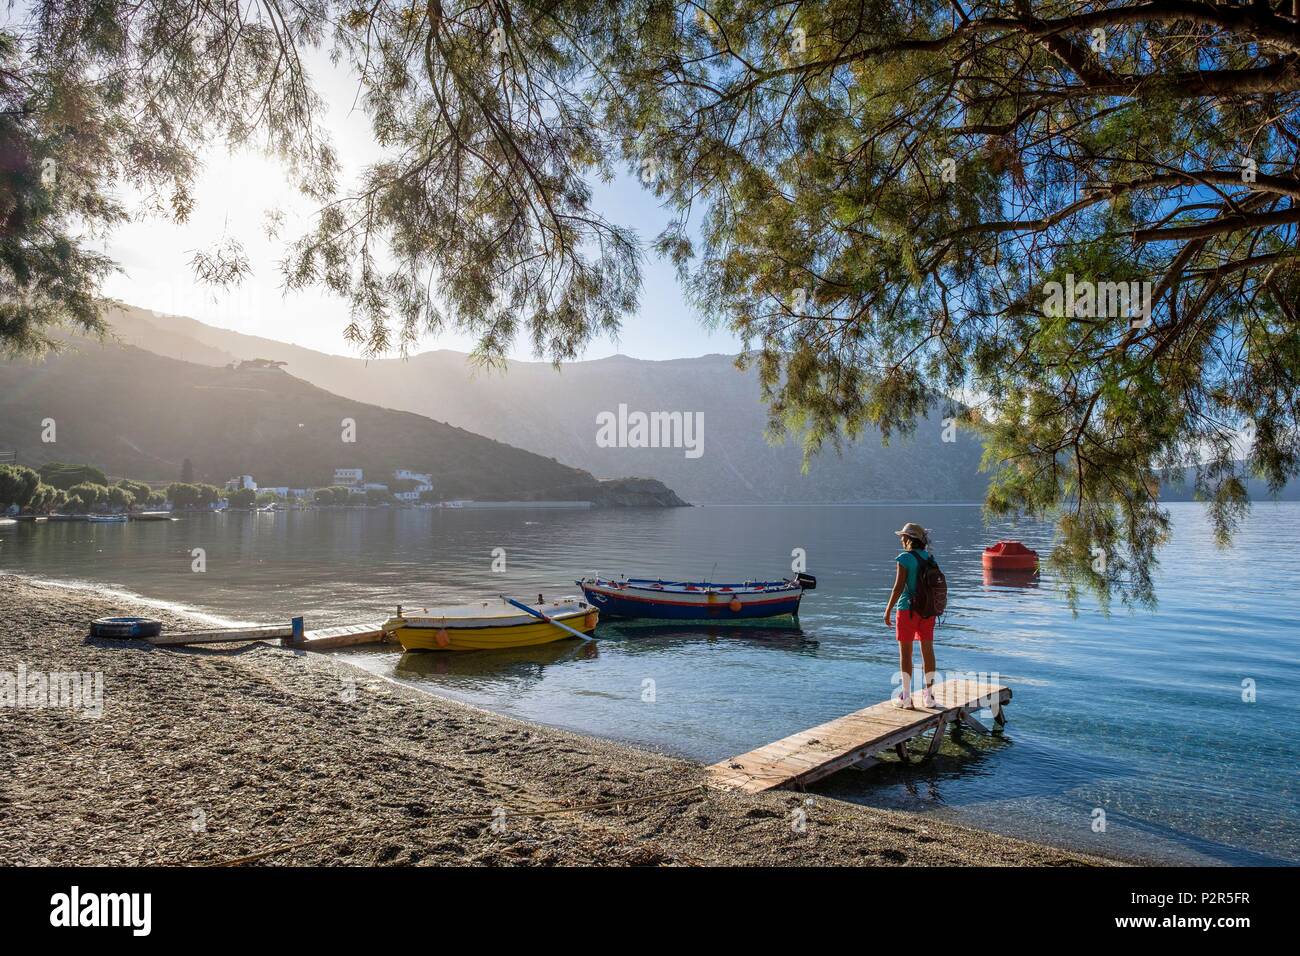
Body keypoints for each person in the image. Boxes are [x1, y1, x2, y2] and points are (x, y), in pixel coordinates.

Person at [884, 522, 937, 709]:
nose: (901, 538)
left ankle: (906, 697)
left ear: (909, 539)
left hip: (907, 610)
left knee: (906, 654)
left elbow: (898, 587)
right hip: (928, 611)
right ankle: (929, 696)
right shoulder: (929, 557)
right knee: (928, 651)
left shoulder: (904, 558)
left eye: (903, 536)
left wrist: (888, 609)